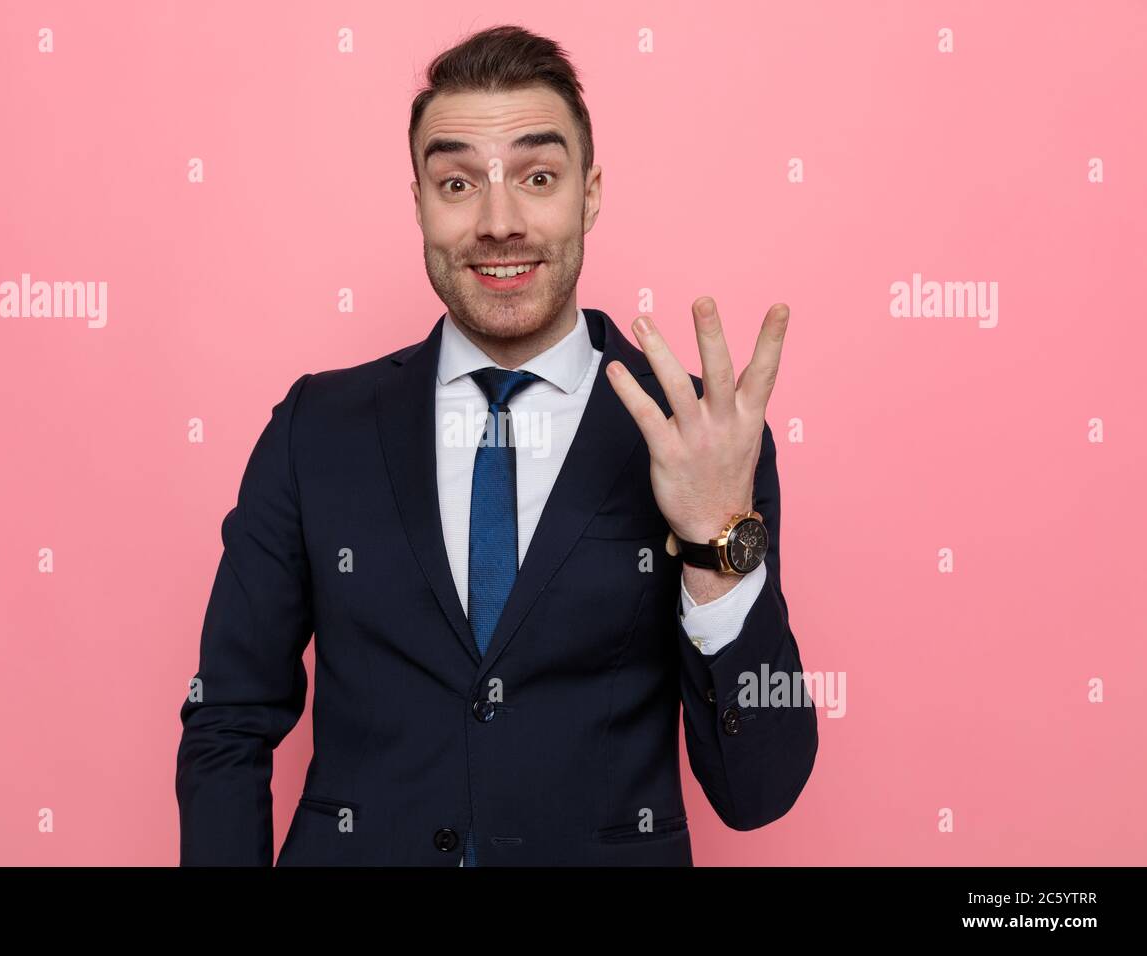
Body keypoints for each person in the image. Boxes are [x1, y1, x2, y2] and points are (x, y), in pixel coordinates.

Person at [176, 23, 816, 867]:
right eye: (457, 183)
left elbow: (758, 792)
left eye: (538, 177)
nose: (499, 222)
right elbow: (228, 719)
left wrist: (716, 547)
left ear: (588, 195)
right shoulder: (314, 429)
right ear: (418, 204)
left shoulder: (702, 435)